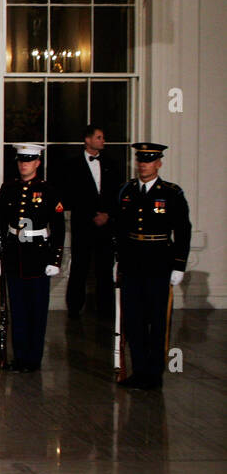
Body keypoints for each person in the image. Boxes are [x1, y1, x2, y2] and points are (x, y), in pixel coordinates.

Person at [113, 143, 191, 390]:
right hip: (132, 263)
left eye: (148, 160)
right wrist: (118, 260)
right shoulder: (126, 190)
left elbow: (183, 230)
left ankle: (154, 374)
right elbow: (119, 229)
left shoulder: (171, 193)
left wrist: (179, 264)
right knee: (134, 321)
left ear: (158, 163)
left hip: (159, 263)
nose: (143, 164)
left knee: (157, 320)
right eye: (140, 160)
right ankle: (139, 371)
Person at [0, 144, 65, 371]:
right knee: (18, 309)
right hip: (14, 253)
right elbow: (0, 225)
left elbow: (59, 228)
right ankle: (20, 356)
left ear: (37, 163)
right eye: (21, 160)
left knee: (37, 309)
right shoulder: (8, 189)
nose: (24, 164)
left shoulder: (48, 190)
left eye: (29, 160)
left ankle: (33, 359)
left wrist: (55, 259)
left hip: (38, 254)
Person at [60, 124, 120, 319]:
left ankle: (105, 309)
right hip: (83, 224)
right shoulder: (71, 165)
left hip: (106, 225)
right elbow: (71, 195)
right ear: (88, 140)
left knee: (105, 268)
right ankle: (75, 307)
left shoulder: (112, 164)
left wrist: (107, 214)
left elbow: (116, 194)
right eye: (99, 137)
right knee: (80, 266)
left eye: (103, 138)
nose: (103, 141)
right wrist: (92, 215)